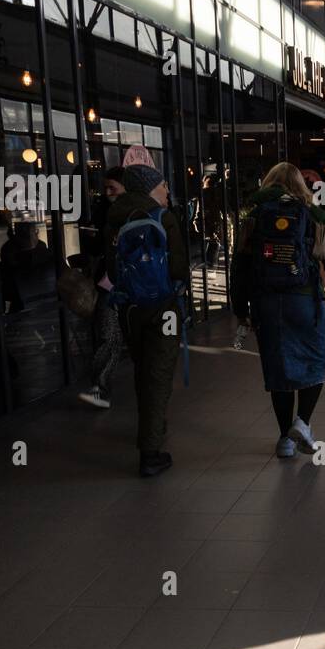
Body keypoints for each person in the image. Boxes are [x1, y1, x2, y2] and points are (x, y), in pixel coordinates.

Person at [232, 163, 325, 459]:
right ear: (301, 186)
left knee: (278, 367)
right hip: (305, 300)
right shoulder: (316, 216)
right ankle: (303, 422)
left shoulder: (254, 217)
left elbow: (239, 266)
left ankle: (285, 439)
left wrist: (240, 307)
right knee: (314, 360)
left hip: (266, 303)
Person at [104, 164, 187, 477]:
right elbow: (179, 269)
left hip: (129, 309)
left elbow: (112, 272)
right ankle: (150, 452)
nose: (167, 191)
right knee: (159, 375)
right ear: (151, 186)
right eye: (163, 185)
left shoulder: (114, 218)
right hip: (162, 309)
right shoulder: (163, 218)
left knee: (143, 370)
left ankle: (153, 427)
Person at [80, 167, 125, 410]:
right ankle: (100, 388)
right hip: (108, 283)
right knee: (108, 335)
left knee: (122, 337)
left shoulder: (135, 213)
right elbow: (94, 246)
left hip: (131, 285)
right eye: (105, 188)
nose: (108, 193)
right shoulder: (100, 211)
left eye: (112, 188)